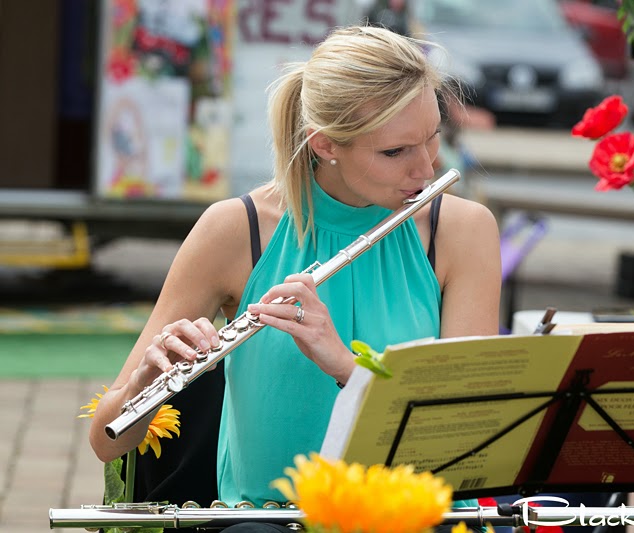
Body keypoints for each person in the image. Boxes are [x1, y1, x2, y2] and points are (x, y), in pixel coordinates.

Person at [89, 25, 502, 530]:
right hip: (268, 521)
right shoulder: (234, 230)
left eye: (433, 138)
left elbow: (467, 436)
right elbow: (105, 440)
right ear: (325, 144)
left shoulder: (462, 231)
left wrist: (348, 369)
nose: (426, 167)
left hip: (415, 515)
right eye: (395, 152)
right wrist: (146, 384)